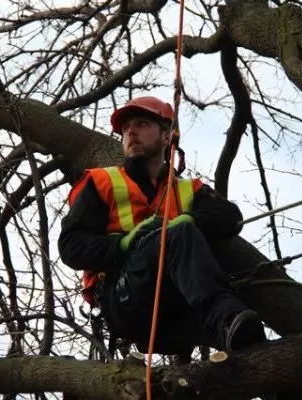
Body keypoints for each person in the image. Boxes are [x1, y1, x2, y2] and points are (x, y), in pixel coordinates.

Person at [58, 96, 266, 356]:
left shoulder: (187, 189)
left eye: (142, 124)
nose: (130, 132)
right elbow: (70, 246)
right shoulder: (102, 182)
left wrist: (189, 220)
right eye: (125, 129)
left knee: (246, 339)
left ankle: (254, 354)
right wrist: (122, 243)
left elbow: (230, 217)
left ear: (167, 137)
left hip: (179, 313)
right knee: (180, 238)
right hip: (127, 300)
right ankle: (224, 316)